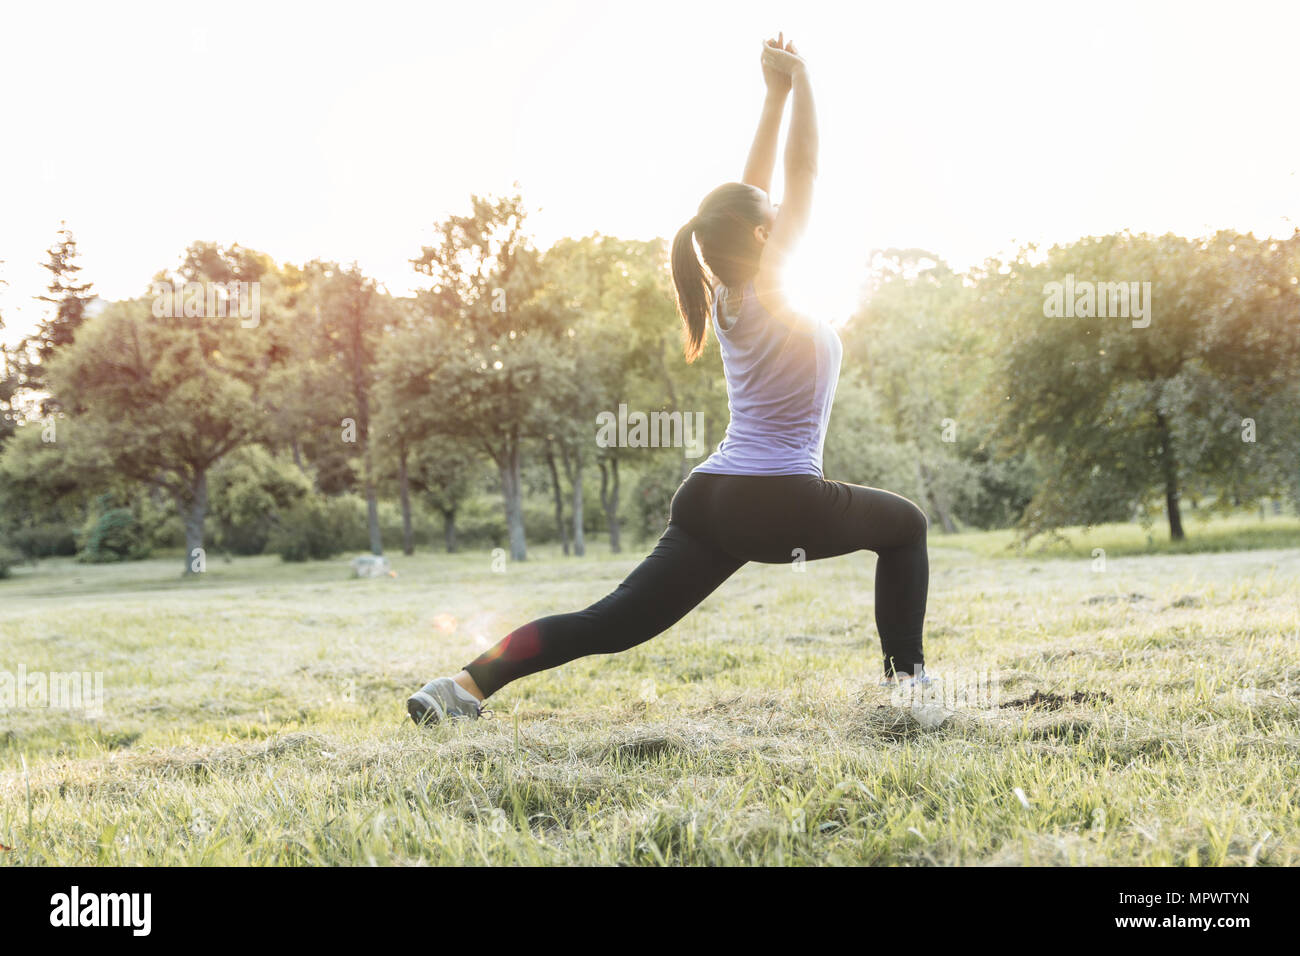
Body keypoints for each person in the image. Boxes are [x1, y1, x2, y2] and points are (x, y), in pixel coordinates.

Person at [407, 34, 933, 726]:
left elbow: (753, 197)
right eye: (771, 221)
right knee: (906, 527)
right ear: (755, 238)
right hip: (776, 497)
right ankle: (907, 688)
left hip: (711, 498)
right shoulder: (772, 285)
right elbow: (801, 172)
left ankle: (463, 688)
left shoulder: (727, 294)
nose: (783, 218)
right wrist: (801, 82)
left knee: (611, 622)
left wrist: (771, 97)